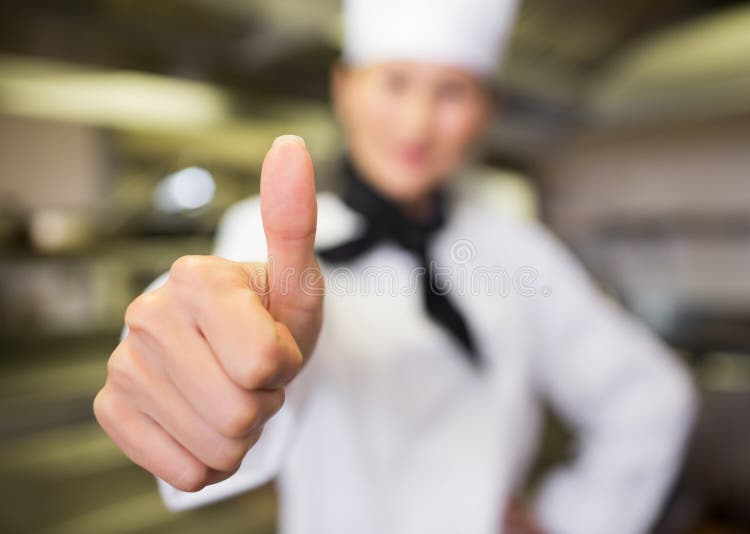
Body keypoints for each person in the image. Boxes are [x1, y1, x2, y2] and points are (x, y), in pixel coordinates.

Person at [93, 1, 697, 532]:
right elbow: (216, 309)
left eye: (452, 91)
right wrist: (193, 357)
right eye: (395, 82)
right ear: (344, 88)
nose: (416, 124)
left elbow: (650, 395)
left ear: (487, 109)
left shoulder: (518, 250)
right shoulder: (272, 232)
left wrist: (573, 519)